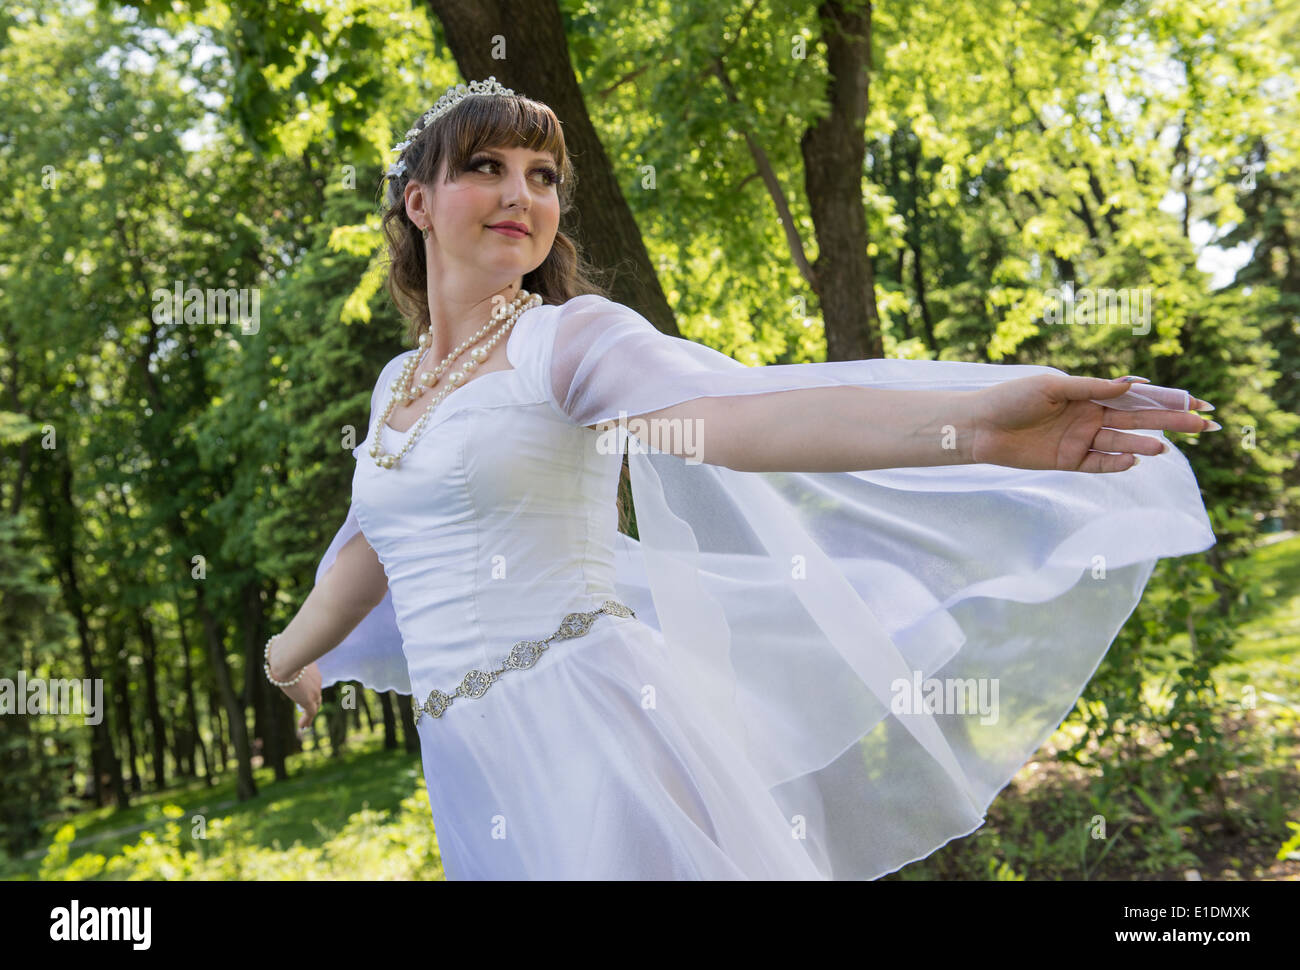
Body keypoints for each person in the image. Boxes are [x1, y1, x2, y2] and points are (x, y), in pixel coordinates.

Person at [262, 78, 1219, 880]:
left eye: (542, 176)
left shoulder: (569, 341)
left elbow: (746, 417)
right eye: (486, 168)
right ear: (417, 205)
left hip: (595, 721)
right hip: (472, 757)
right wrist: (289, 653)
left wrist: (972, 426)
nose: (523, 194)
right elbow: (367, 549)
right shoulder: (398, 387)